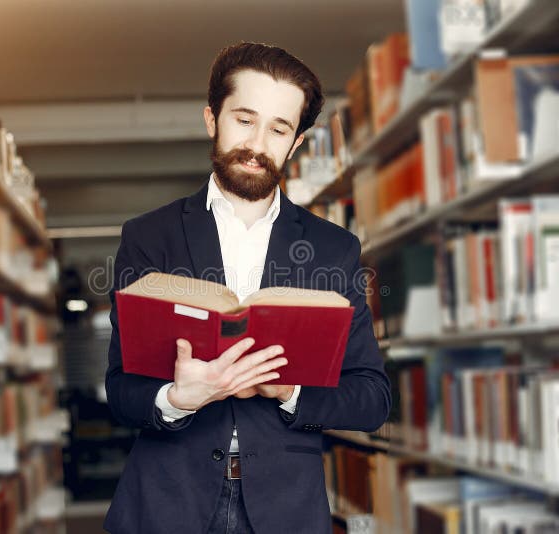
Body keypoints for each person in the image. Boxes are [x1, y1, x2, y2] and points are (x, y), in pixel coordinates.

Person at [103, 42, 390, 534]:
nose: (257, 143)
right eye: (243, 119)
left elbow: (372, 398)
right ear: (212, 119)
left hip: (286, 509)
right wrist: (178, 397)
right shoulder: (150, 236)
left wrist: (290, 391)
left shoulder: (333, 249)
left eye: (278, 128)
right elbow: (121, 389)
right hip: (168, 503)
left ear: (296, 143)